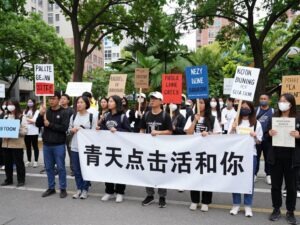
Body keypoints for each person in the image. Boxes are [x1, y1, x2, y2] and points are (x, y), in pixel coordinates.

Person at [184, 98, 222, 212]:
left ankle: (206, 201)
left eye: (201, 102)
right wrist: (195, 121)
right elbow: (188, 133)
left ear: (206, 104)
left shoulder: (212, 118)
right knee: (194, 176)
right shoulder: (191, 117)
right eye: (198, 102)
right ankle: (194, 200)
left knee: (207, 177)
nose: (199, 104)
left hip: (208, 152)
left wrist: (209, 133)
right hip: (194, 152)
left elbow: (218, 135)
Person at [267, 93, 300, 225]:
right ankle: (276, 209)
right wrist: (269, 133)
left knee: (291, 187)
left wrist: (299, 135)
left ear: (291, 104)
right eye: (280, 101)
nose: (282, 103)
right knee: (275, 186)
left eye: (284, 101)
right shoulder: (274, 117)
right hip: (276, 157)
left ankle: (290, 211)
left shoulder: (298, 118)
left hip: (292, 158)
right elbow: (265, 135)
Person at [228, 101, 263, 217]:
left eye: (246, 108)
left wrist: (255, 136)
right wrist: (232, 129)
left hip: (250, 155)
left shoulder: (256, 123)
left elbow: (259, 141)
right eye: (242, 108)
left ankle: (248, 206)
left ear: (251, 109)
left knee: (248, 181)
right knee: (236, 180)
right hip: (237, 155)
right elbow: (228, 138)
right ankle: (236, 204)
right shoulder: (235, 122)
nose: (244, 109)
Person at [140, 91, 173, 208]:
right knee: (148, 172)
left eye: (155, 99)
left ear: (161, 101)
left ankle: (162, 196)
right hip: (148, 149)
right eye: (151, 98)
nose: (152, 100)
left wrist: (158, 132)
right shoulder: (146, 114)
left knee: (161, 172)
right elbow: (142, 129)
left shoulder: (165, 115)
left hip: (161, 149)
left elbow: (170, 131)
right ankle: (149, 195)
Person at [98, 95, 132, 203]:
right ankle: (109, 191)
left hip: (119, 149)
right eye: (108, 101)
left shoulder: (122, 117)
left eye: (111, 101)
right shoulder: (107, 115)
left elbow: (129, 132)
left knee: (120, 170)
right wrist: (99, 127)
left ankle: (120, 192)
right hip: (107, 148)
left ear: (117, 103)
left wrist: (117, 130)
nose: (109, 103)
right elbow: (103, 128)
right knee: (108, 169)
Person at [36, 91, 69, 198]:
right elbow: (38, 124)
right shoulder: (46, 111)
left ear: (59, 99)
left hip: (59, 144)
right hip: (47, 145)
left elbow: (64, 128)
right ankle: (51, 188)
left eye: (53, 98)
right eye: (49, 98)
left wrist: (50, 124)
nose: (51, 100)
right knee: (49, 167)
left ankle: (63, 188)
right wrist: (41, 115)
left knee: (60, 168)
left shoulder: (64, 112)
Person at [68, 96, 97, 200]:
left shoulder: (92, 117)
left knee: (86, 169)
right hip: (75, 146)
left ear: (86, 104)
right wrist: (72, 130)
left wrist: (84, 130)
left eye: (81, 102)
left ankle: (85, 189)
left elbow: (94, 133)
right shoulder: (73, 116)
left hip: (87, 148)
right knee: (76, 170)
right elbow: (69, 129)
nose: (79, 104)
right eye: (78, 102)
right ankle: (79, 188)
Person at [1, 100, 26, 187]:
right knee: (7, 163)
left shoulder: (21, 117)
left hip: (17, 144)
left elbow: (25, 131)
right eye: (8, 105)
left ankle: (21, 180)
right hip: (6, 144)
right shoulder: (6, 117)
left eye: (11, 104)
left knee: (19, 163)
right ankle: (9, 179)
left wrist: (15, 130)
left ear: (16, 105)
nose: (9, 106)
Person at [255, 94, 274, 184]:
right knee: (256, 156)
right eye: (261, 98)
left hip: (268, 139)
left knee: (268, 157)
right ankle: (254, 174)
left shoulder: (273, 111)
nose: (263, 100)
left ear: (268, 100)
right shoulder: (256, 110)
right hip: (257, 138)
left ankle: (268, 175)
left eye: (265, 99)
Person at [60, 93, 75, 176]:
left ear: (68, 101)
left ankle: (73, 169)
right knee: (60, 152)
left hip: (69, 134)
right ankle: (60, 168)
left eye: (64, 99)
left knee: (70, 151)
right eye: (61, 98)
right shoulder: (58, 109)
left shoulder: (71, 110)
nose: (62, 100)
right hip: (60, 134)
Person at [23, 98, 40, 168]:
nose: (29, 103)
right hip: (26, 132)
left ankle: (35, 161)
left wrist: (28, 120)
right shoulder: (25, 111)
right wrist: (30, 120)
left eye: (31, 102)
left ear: (33, 103)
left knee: (35, 146)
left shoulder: (37, 111)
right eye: (28, 101)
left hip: (34, 132)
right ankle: (29, 160)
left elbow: (35, 120)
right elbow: (23, 120)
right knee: (28, 147)